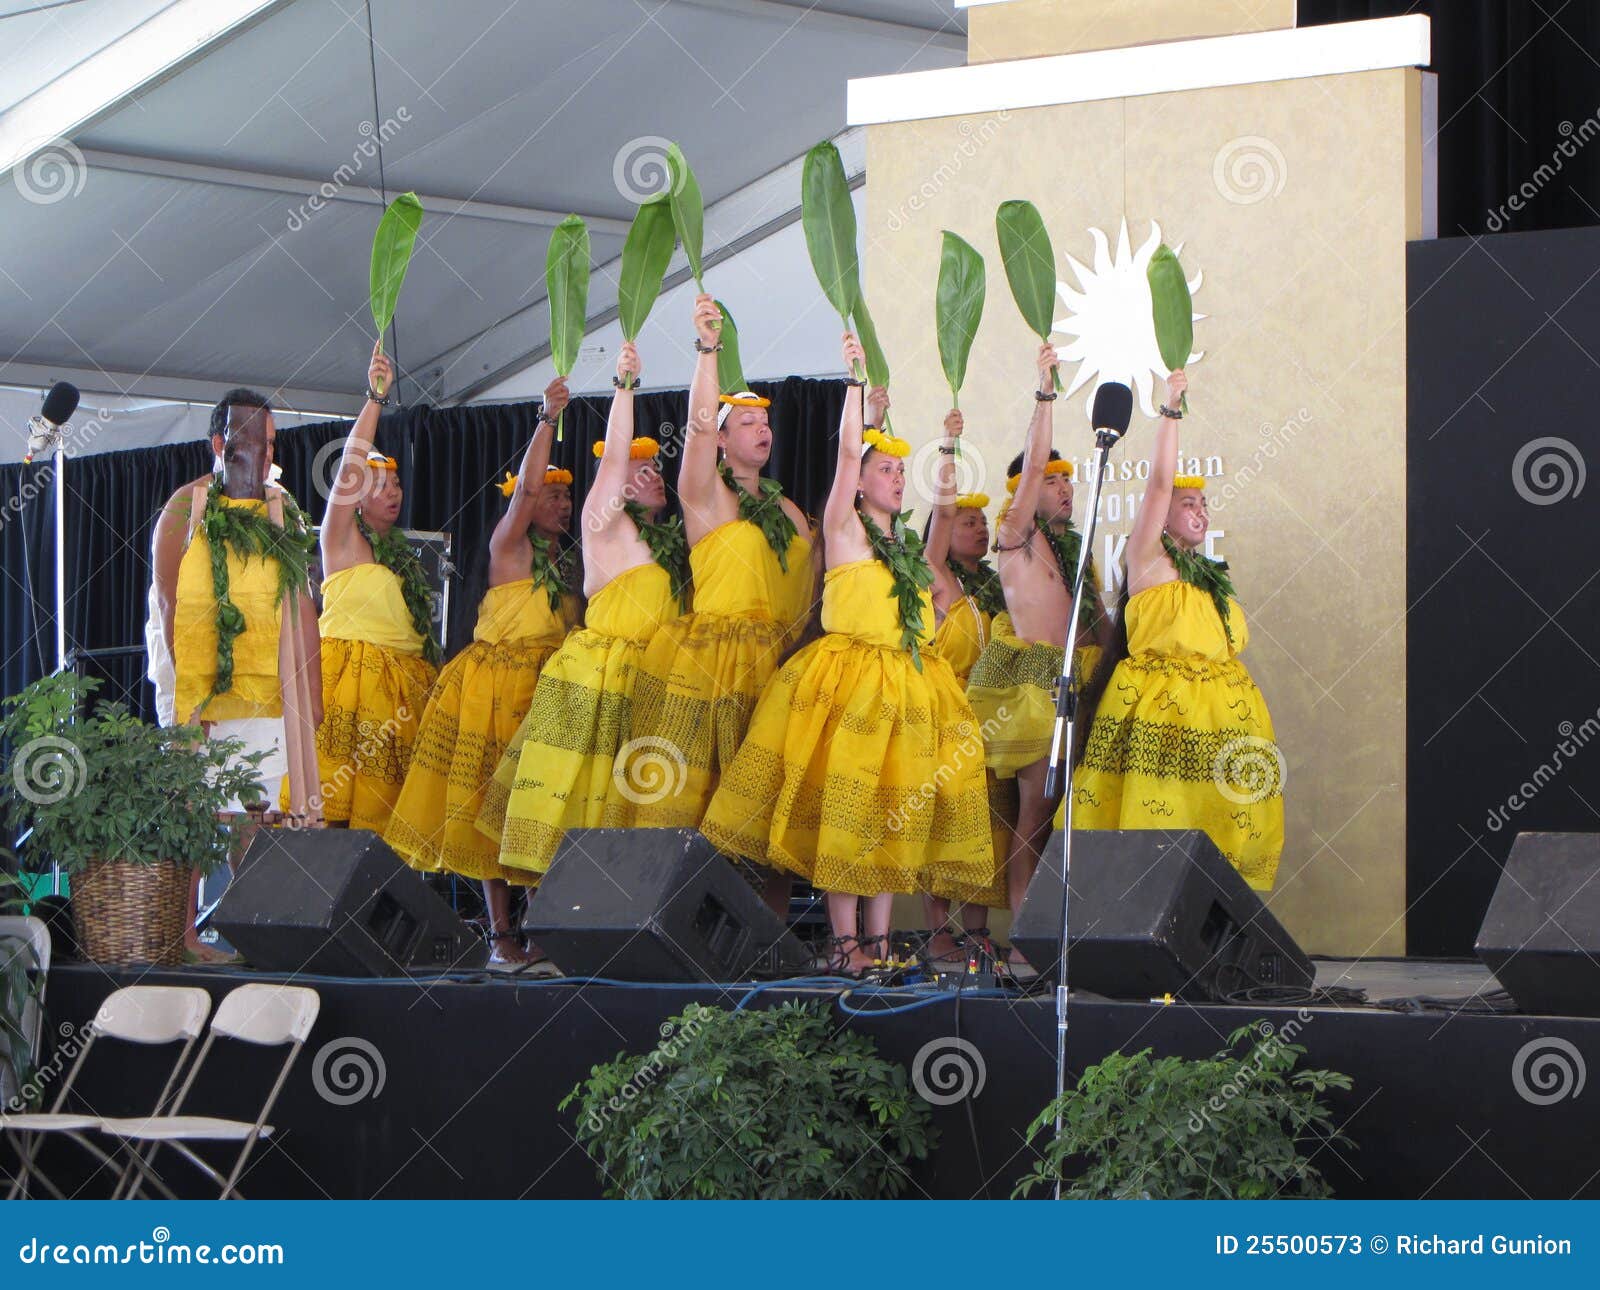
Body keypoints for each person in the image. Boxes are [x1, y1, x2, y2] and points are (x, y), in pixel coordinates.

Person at [701, 336, 991, 975]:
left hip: (906, 687)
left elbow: (936, 536)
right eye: (882, 467)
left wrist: (943, 454)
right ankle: (843, 942)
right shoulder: (843, 526)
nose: (893, 475)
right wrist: (854, 383)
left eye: (897, 470)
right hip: (849, 680)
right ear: (857, 481)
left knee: (891, 812)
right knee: (848, 808)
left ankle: (881, 943)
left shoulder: (905, 547)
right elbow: (843, 450)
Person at [625, 294, 815, 914]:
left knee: (762, 802)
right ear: (724, 437)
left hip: (774, 665)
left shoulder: (789, 513)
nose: (763, 429)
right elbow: (699, 425)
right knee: (699, 799)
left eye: (768, 423)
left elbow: (810, 586)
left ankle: (771, 934)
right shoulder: (704, 493)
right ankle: (687, 923)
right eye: (748, 423)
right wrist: (707, 351)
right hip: (709, 665)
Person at [477, 340, 686, 880]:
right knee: (577, 800)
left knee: (634, 804)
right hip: (599, 681)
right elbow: (614, 459)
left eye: (655, 468)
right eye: (640, 472)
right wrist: (625, 387)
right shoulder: (604, 521)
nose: (653, 474)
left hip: (650, 682)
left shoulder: (662, 542)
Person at [385, 379, 576, 964]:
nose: (563, 505)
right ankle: (502, 937)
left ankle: (544, 930)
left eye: (567, 498)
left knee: (539, 811)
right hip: (495, 693)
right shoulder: (508, 546)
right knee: (488, 810)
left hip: (546, 695)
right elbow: (522, 499)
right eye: (551, 496)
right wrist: (546, 420)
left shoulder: (568, 563)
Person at [1070, 369, 1283, 889]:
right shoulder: (1149, 558)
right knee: (1163, 821)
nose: (1201, 511)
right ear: (1161, 516)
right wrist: (1171, 410)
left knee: (1219, 827)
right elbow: (1160, 482)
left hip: (1221, 722)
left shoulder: (1208, 578)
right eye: (1189, 503)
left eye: (1205, 504)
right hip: (1162, 716)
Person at [150, 388, 313, 957]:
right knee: (197, 806)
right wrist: (190, 703)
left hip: (265, 683)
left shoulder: (279, 510)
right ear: (219, 445)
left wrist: (306, 692)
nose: (262, 459)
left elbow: (298, 603)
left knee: (259, 808)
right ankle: (184, 934)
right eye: (249, 446)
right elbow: (173, 607)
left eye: (270, 446)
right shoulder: (184, 509)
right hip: (195, 683)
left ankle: (250, 927)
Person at [965, 344, 1112, 964]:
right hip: (1033, 692)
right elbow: (1026, 481)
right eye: (1053, 480)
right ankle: (1025, 943)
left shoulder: (1074, 551)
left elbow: (1100, 628)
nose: (1065, 489)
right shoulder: (1014, 538)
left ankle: (1056, 932)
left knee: (1063, 823)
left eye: (1067, 480)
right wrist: (1045, 395)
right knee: (1035, 816)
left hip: (1079, 682)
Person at [309, 343, 438, 830]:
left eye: (396, 485)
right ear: (357, 499)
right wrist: (374, 399)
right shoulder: (340, 540)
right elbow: (348, 466)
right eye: (379, 485)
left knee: (388, 816)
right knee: (337, 808)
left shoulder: (402, 559)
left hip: (398, 694)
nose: (393, 494)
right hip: (345, 686)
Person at [919, 409, 1009, 963]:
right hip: (945, 709)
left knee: (985, 822)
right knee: (945, 816)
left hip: (988, 712)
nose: (978, 528)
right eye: (966, 523)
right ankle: (937, 933)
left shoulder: (993, 587)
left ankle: (976, 931)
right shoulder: (936, 576)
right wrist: (950, 448)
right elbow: (941, 509)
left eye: (982, 523)